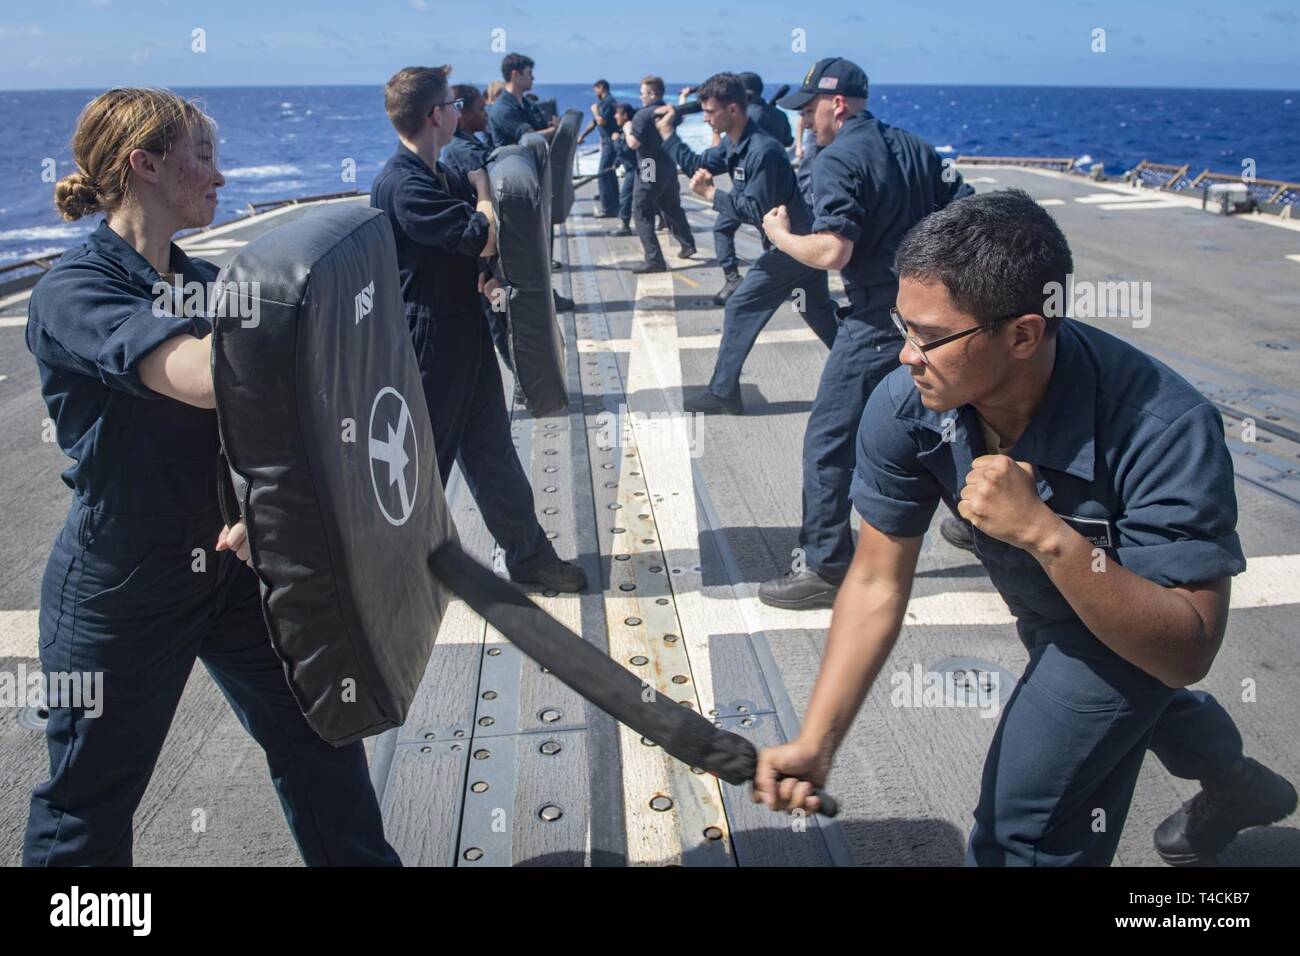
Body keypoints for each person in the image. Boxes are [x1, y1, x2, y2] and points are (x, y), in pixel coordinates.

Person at [754, 189, 1298, 866]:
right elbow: (874, 581)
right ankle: (1237, 786)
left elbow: (1183, 650)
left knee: (1021, 833)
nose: (905, 356)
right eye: (903, 327)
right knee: (1137, 709)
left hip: (1128, 627)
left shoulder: (1164, 426)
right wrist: (818, 740)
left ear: (1021, 334)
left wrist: (1045, 534)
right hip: (1047, 608)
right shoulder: (911, 404)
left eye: (929, 337)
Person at [23, 87, 399, 866]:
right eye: (204, 158)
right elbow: (202, 377)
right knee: (86, 808)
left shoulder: (196, 276)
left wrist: (251, 502)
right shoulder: (75, 291)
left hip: (226, 566)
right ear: (145, 165)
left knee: (319, 736)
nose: (219, 177)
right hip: (120, 586)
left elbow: (248, 423)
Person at [757, 57, 972, 609]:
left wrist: (779, 234)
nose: (805, 122)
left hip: (877, 320)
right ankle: (983, 525)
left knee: (829, 439)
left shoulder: (837, 159)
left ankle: (827, 566)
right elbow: (965, 209)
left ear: (837, 104)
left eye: (809, 110)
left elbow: (833, 250)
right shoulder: (914, 147)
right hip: (930, 316)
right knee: (935, 427)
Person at [371, 66, 586, 594]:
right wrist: (486, 194)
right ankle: (388, 578)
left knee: (492, 453)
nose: (456, 107)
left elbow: (459, 257)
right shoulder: (403, 185)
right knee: (425, 468)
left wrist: (483, 281)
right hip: (429, 342)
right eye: (449, 101)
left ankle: (530, 556)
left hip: (461, 329)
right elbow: (479, 236)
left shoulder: (435, 174)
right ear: (435, 115)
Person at [654, 73, 837, 415]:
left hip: (794, 246)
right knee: (820, 315)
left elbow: (756, 209)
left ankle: (723, 393)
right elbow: (699, 164)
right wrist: (669, 135)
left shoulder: (763, 151)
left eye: (710, 111)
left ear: (733, 108)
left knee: (740, 305)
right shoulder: (734, 144)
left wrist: (711, 195)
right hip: (792, 246)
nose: (705, 117)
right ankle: (872, 374)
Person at [440, 82, 514, 372]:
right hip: (483, 251)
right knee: (497, 317)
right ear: (461, 112)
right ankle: (519, 381)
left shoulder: (470, 144)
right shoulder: (464, 152)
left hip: (485, 245)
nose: (487, 115)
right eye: (481, 109)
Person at [623, 75, 695, 273]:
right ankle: (688, 243)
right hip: (668, 165)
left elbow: (633, 144)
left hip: (648, 165)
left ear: (652, 94)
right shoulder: (669, 111)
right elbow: (683, 116)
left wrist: (627, 128)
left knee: (642, 212)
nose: (641, 97)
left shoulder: (642, 115)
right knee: (672, 207)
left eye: (643, 93)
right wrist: (684, 98)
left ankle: (654, 260)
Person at [487, 52, 557, 148]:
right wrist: (556, 129)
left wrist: (551, 127)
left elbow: (541, 130)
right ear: (515, 75)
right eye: (529, 73)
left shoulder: (530, 105)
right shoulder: (502, 109)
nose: (533, 78)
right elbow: (530, 138)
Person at [578, 78, 620, 219]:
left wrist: (595, 110)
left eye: (595, 89)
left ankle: (609, 208)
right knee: (609, 173)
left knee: (603, 173)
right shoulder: (604, 103)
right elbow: (595, 122)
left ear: (601, 88)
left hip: (611, 143)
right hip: (607, 142)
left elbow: (601, 120)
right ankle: (613, 201)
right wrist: (582, 135)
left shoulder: (608, 102)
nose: (594, 92)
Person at [610, 102, 637, 236]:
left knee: (626, 196)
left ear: (625, 115)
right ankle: (664, 219)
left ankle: (625, 226)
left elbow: (628, 150)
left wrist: (616, 141)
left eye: (617, 114)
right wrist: (616, 163)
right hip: (648, 164)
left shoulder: (629, 128)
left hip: (638, 167)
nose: (615, 116)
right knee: (653, 194)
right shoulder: (629, 128)